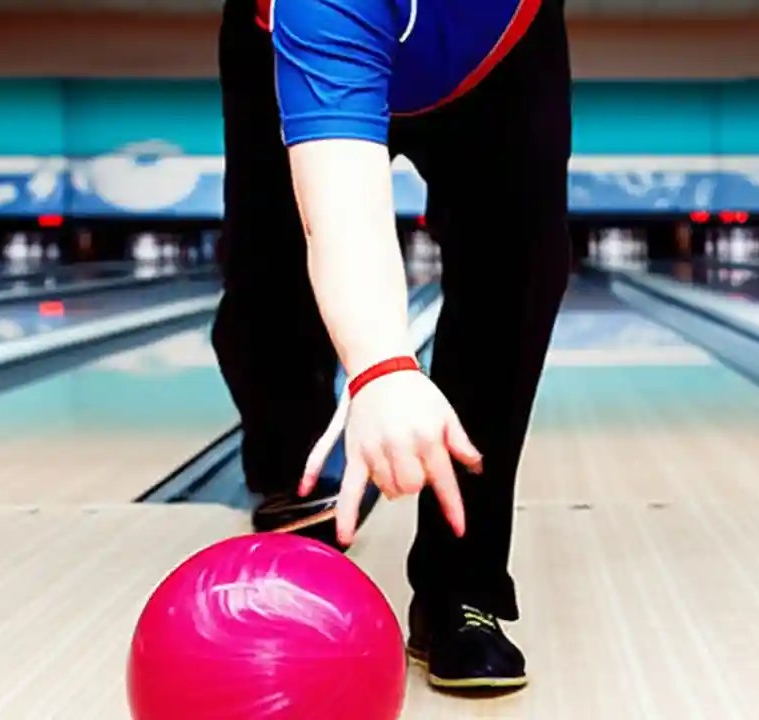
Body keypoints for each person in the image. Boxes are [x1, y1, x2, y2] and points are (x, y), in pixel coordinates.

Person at [212, 0, 571, 691]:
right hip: (285, 38)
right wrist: (381, 370)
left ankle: (460, 589)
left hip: (507, 54)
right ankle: (296, 490)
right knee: (268, 273)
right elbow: (342, 214)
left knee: (518, 276)